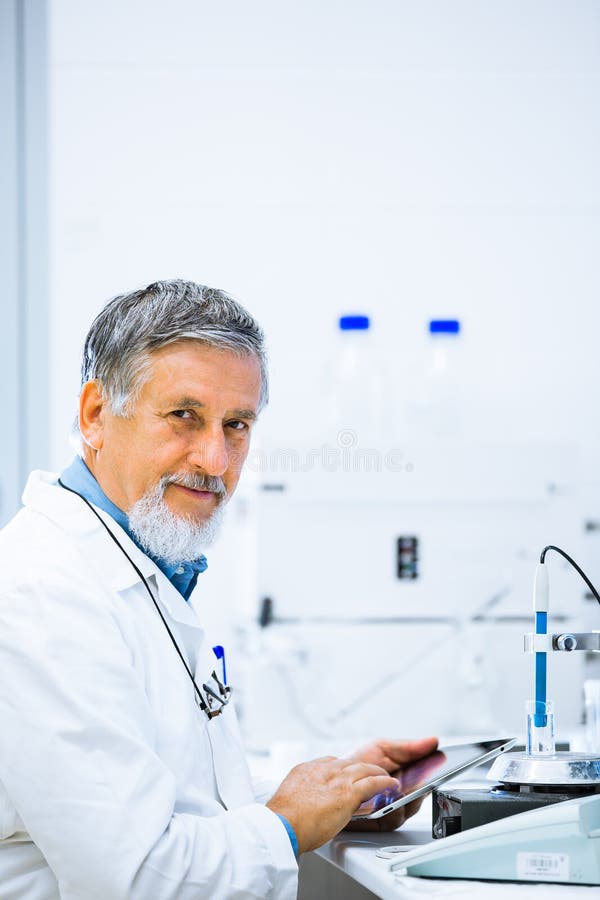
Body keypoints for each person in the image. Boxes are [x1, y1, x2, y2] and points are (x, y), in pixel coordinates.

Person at [0, 280, 437, 899]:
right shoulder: (43, 592)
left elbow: (168, 801)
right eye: (184, 416)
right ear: (96, 415)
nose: (215, 458)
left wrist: (335, 791)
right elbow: (134, 876)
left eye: (237, 424)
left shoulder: (139, 564)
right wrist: (285, 823)